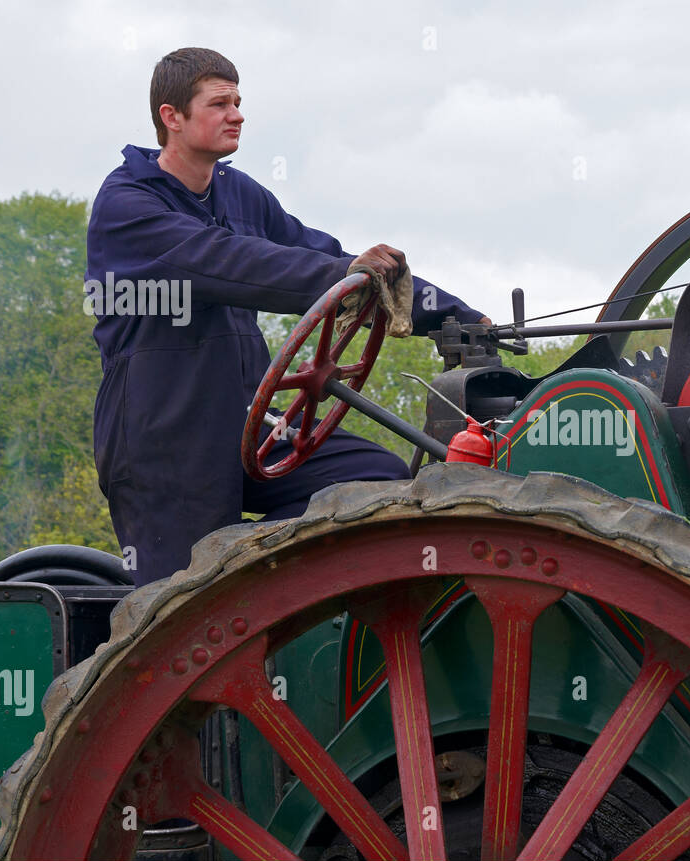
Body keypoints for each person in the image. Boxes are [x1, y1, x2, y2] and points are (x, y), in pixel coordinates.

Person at [87, 47, 485, 587]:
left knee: (375, 480)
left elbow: (325, 259)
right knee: (183, 607)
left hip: (246, 422)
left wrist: (456, 319)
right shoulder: (128, 208)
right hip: (164, 442)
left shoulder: (241, 194)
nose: (237, 114)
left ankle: (263, 582)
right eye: (220, 103)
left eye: (239, 101)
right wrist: (344, 273)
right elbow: (231, 262)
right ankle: (234, 585)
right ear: (171, 117)